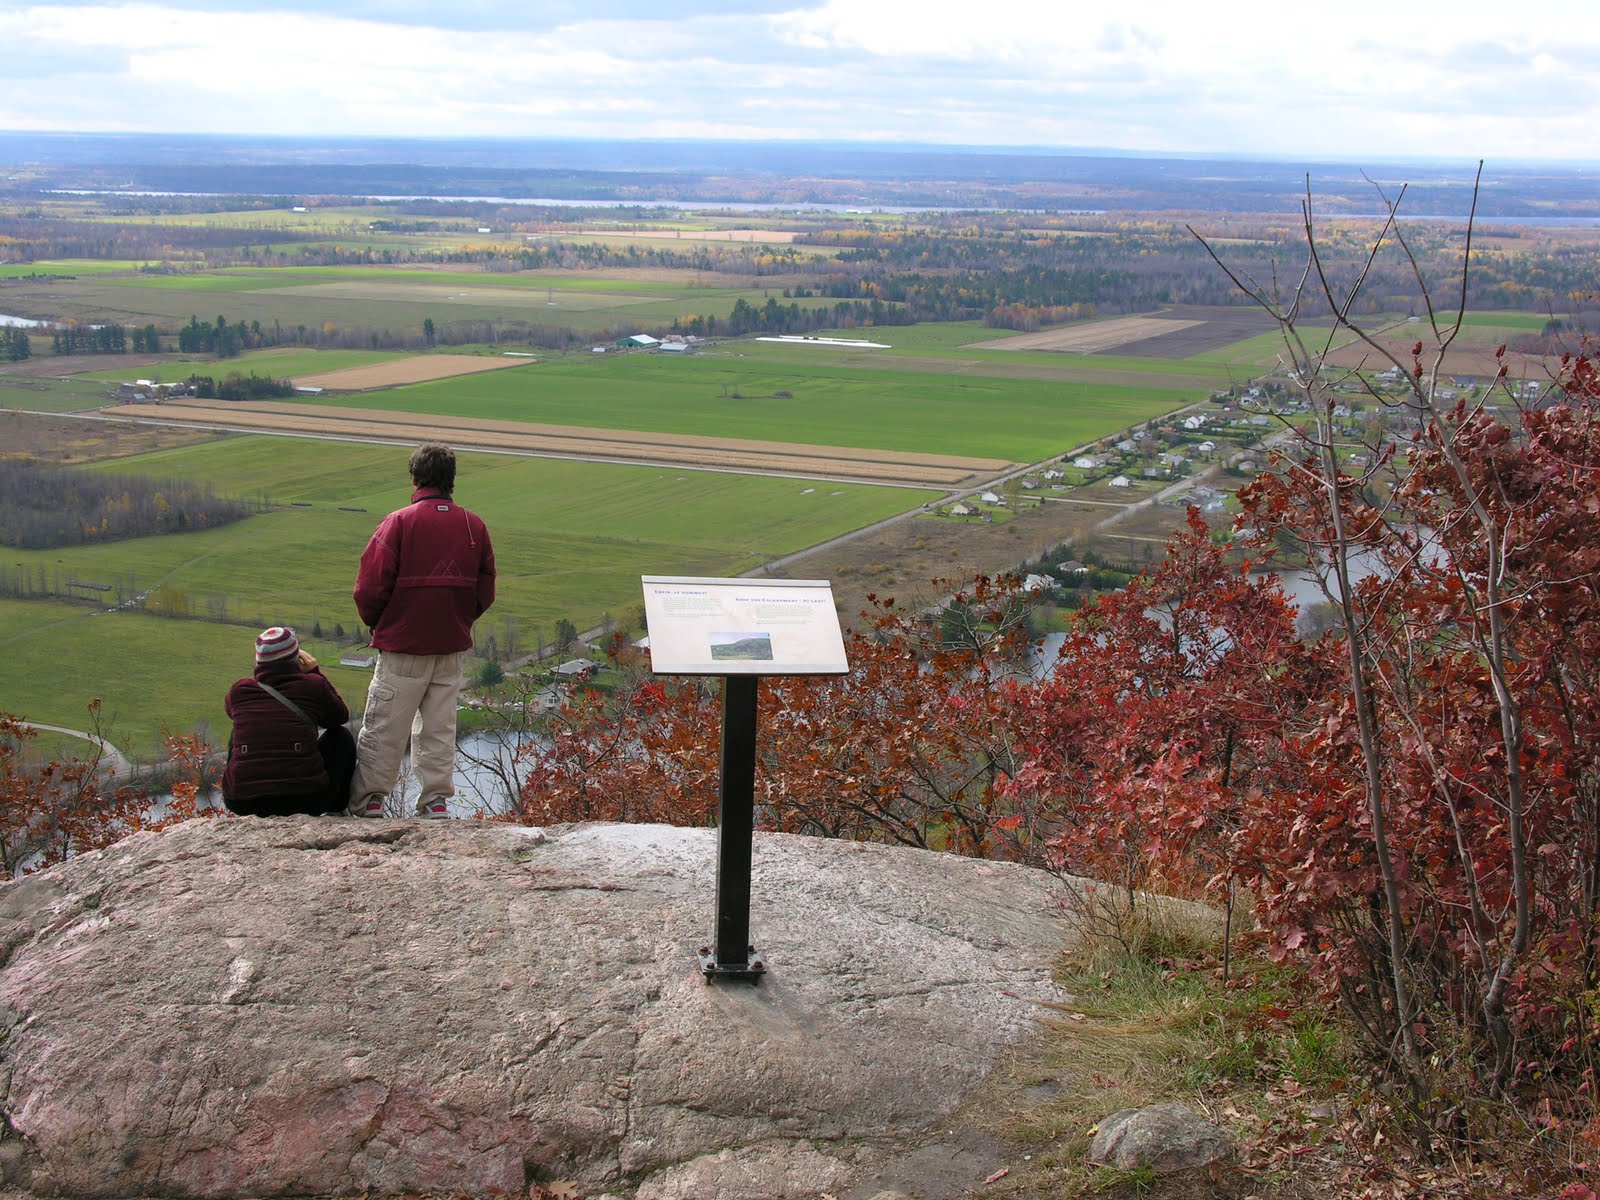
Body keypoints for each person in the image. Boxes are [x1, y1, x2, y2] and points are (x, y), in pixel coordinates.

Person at [348, 443, 496, 819]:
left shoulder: (398, 523)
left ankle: (371, 801)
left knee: (385, 726)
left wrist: (383, 624)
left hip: (403, 647)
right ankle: (435, 802)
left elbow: (369, 589)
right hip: (450, 647)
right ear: (452, 480)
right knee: (439, 728)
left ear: (414, 478)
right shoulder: (473, 525)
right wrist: (461, 619)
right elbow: (485, 589)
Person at [222, 626, 355, 817]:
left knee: (238, 732)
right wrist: (315, 672)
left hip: (243, 802)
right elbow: (339, 717)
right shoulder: (312, 685)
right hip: (307, 800)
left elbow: (234, 713)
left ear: (258, 661)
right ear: (296, 658)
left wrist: (262, 676)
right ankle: (336, 808)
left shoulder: (239, 691)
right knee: (341, 736)